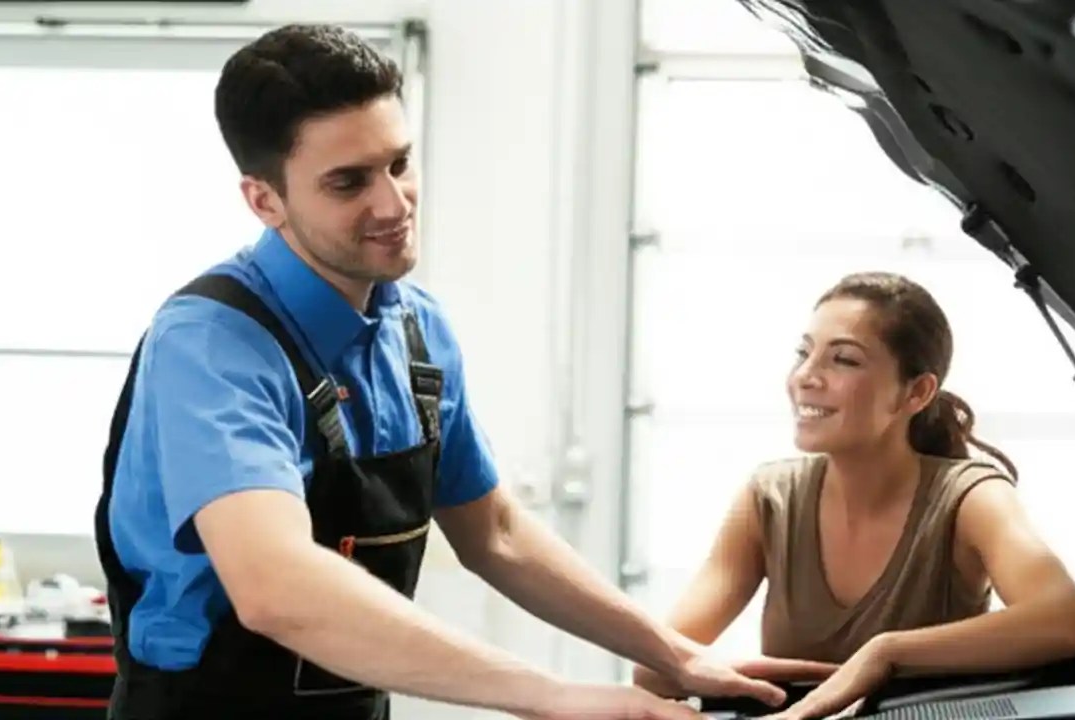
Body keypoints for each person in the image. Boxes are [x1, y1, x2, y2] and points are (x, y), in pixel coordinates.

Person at [93, 23, 828, 720]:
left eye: (400, 163)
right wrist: (550, 695)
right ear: (265, 199)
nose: (393, 203)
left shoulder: (417, 328)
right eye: (348, 183)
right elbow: (275, 587)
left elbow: (496, 533)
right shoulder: (211, 345)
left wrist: (677, 655)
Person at [634, 271, 1075, 718]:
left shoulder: (970, 497)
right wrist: (743, 678)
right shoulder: (770, 498)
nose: (805, 378)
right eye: (804, 353)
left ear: (916, 392)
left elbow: (1064, 620)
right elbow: (652, 668)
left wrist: (886, 653)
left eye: (844, 360)